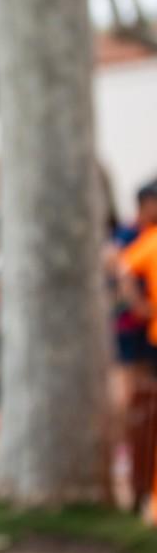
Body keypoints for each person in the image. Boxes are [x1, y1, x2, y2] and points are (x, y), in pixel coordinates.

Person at [118, 180, 157, 516]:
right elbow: (122, 268)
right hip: (142, 334)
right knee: (141, 401)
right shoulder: (141, 238)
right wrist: (141, 307)